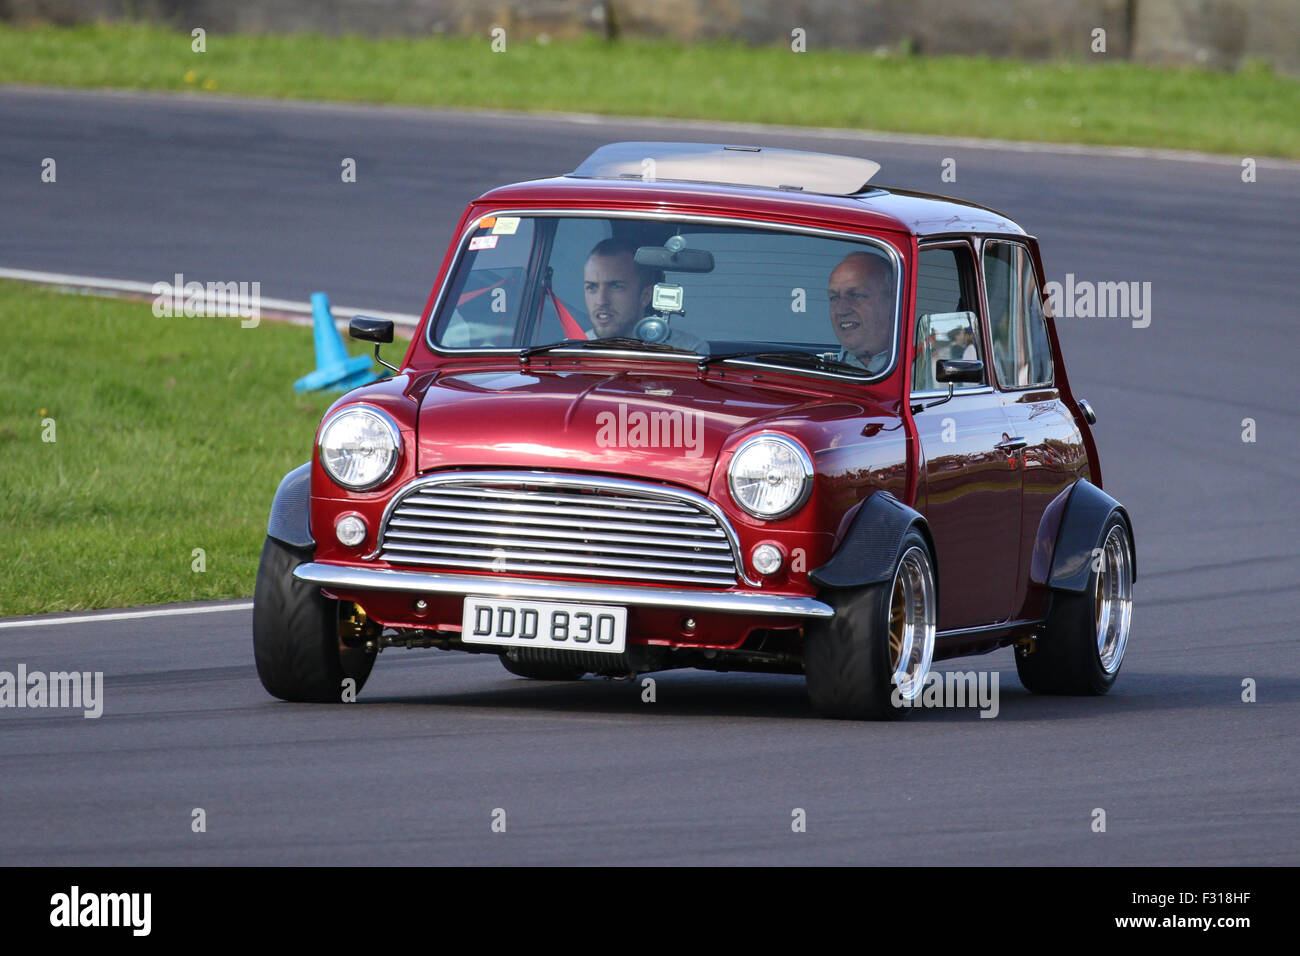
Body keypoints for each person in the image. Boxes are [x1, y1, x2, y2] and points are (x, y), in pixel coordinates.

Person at [582, 238, 708, 353]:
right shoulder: (571, 349)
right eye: (592, 287)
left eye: (616, 286)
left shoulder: (687, 351)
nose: (601, 300)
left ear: (645, 296)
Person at [827, 251, 893, 373]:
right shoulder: (815, 372)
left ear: (892, 301)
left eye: (856, 295)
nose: (841, 310)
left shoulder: (927, 368)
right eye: (834, 298)